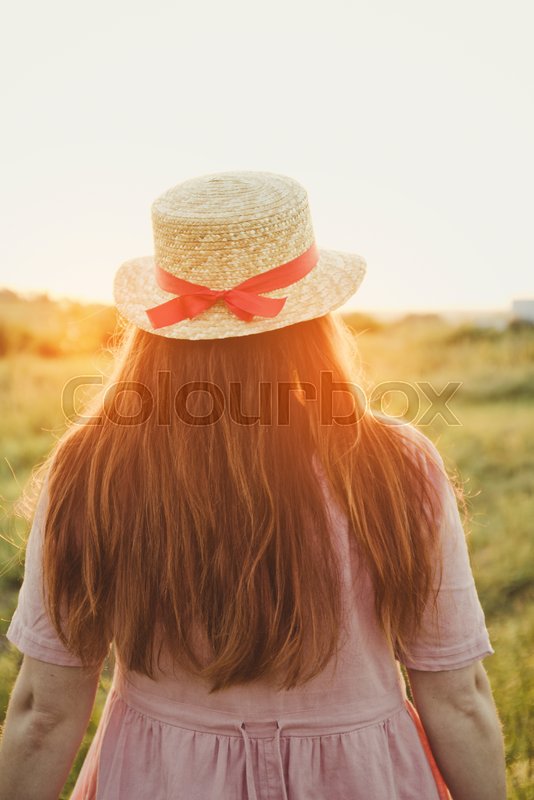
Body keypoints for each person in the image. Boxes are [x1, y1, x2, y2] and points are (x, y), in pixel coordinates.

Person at [0, 171, 506, 800]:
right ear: (316, 319)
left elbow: (43, 714)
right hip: (358, 781)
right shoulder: (400, 463)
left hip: (164, 780)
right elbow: (458, 698)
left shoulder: (92, 467)